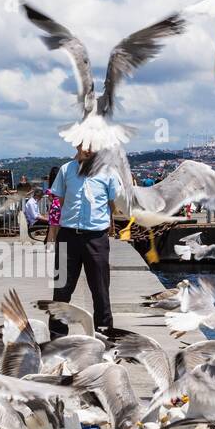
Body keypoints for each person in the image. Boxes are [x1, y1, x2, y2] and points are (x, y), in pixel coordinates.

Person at [46, 144, 122, 338]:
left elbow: (114, 204)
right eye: (85, 145)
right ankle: (57, 338)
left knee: (100, 292)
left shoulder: (109, 172)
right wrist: (55, 231)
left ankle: (105, 338)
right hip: (68, 236)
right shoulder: (66, 170)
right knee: (61, 291)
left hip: (95, 238)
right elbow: (59, 202)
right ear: (77, 144)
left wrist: (106, 223)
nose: (88, 150)